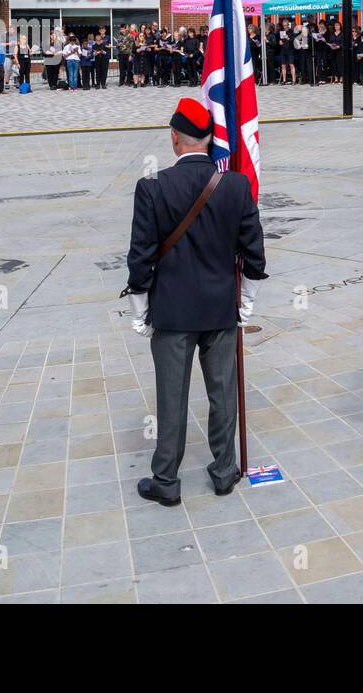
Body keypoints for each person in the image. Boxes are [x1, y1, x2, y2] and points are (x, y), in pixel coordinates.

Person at [124, 97, 268, 505]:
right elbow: (254, 252)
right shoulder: (236, 185)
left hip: (172, 310)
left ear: (174, 139)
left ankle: (166, 480)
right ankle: (225, 471)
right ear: (209, 140)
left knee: (171, 395)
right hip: (221, 306)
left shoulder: (152, 187)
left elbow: (140, 256)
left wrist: (139, 311)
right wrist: (247, 301)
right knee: (223, 392)